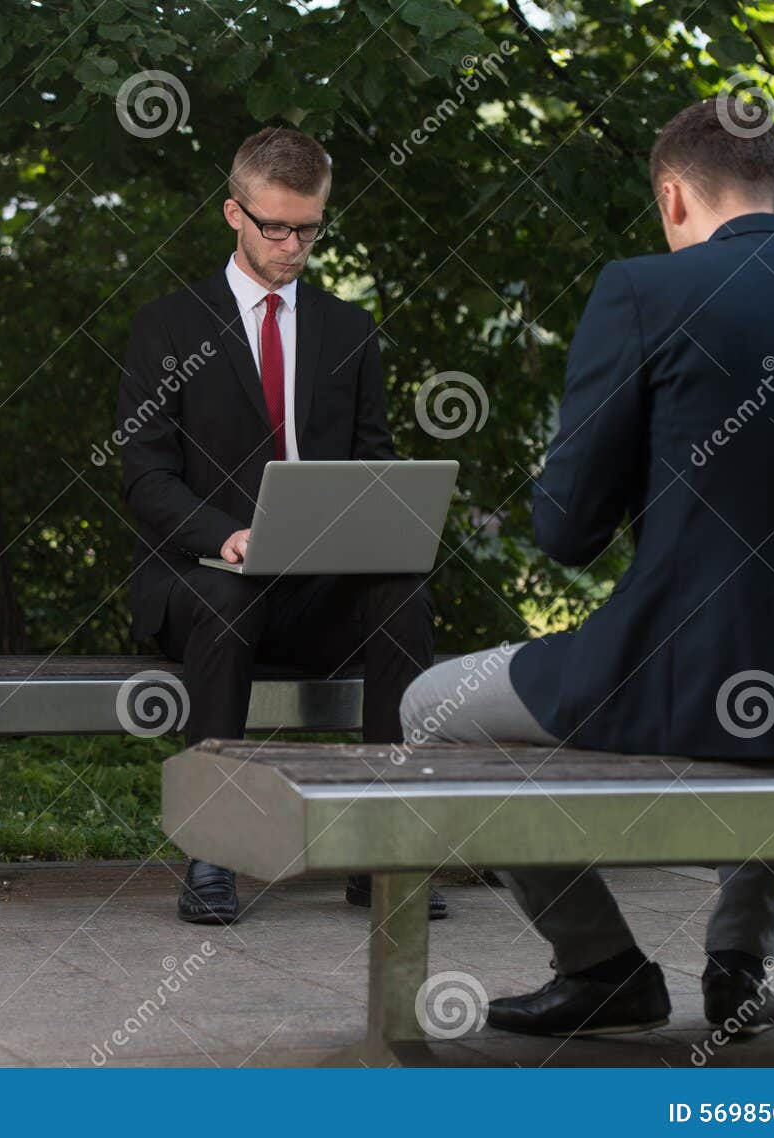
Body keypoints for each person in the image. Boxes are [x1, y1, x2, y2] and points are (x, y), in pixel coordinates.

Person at [398, 101, 774, 1037]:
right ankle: (738, 966)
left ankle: (600, 964)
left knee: (429, 707)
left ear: (673, 197)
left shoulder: (643, 293)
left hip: (676, 671)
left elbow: (567, 532)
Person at [117, 126, 443, 925]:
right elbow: (144, 475)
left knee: (402, 594)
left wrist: (380, 524)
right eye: (275, 227)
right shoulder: (169, 325)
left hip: (313, 590)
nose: (293, 245)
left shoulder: (349, 331)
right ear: (234, 212)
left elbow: (376, 467)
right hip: (205, 585)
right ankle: (213, 850)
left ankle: (383, 851)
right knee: (230, 601)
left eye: (309, 227)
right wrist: (223, 536)